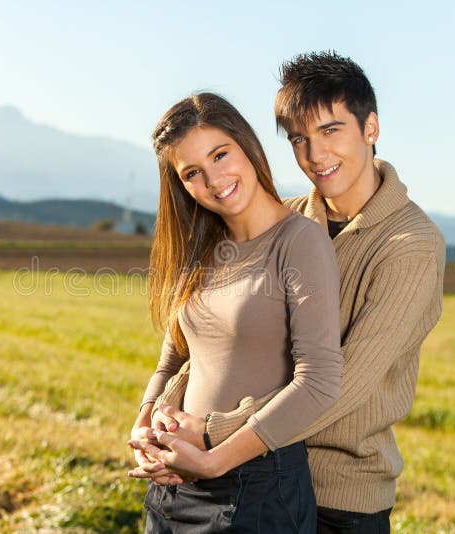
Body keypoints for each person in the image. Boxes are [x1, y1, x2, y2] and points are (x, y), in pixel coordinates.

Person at [129, 51, 446, 533]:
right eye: (300, 138)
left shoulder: (411, 246)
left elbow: (342, 383)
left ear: (371, 128)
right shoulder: (281, 217)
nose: (315, 154)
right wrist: (158, 421)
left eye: (331, 130)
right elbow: (210, 342)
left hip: (337, 496)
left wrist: (212, 434)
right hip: (245, 470)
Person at [128, 92, 344, 533]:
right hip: (174, 484)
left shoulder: (299, 241)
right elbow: (173, 357)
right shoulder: (202, 249)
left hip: (255, 488)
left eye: (220, 154)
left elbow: (319, 382)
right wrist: (145, 425)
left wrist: (211, 459)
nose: (214, 179)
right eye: (192, 173)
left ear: (246, 144)